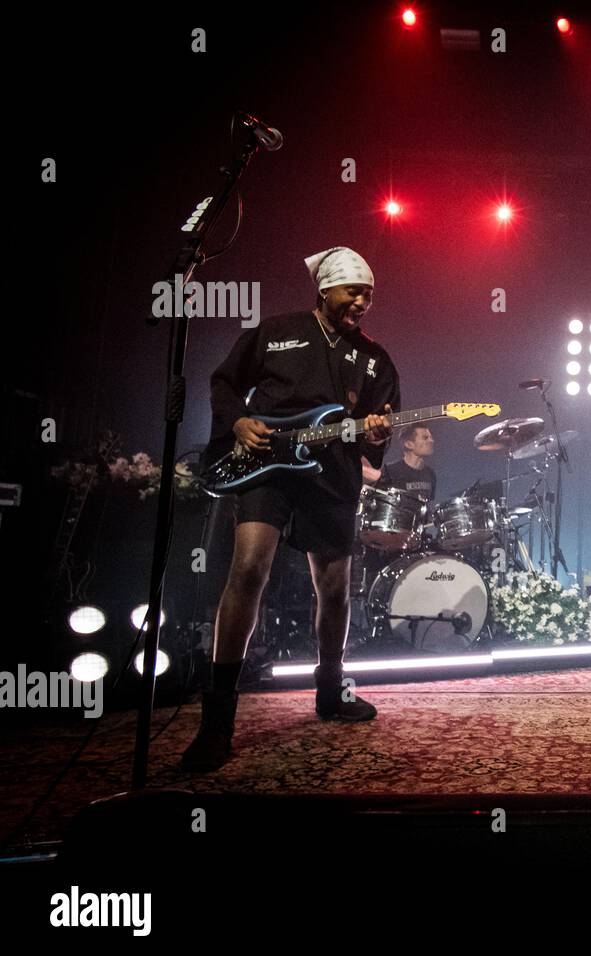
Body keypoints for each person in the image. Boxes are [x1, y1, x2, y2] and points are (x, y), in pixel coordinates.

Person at [182, 247, 399, 772]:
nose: (362, 302)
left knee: (335, 587)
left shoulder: (375, 358)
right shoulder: (276, 330)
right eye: (353, 291)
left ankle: (330, 689)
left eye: (369, 293)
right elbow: (224, 381)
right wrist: (237, 422)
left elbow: (377, 429)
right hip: (268, 468)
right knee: (249, 569)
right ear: (325, 290)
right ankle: (217, 723)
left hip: (333, 477)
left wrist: (377, 431)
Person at [363, 423, 436, 501]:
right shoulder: (390, 471)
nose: (431, 441)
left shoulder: (431, 474)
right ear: (409, 444)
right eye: (425, 438)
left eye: (431, 437)